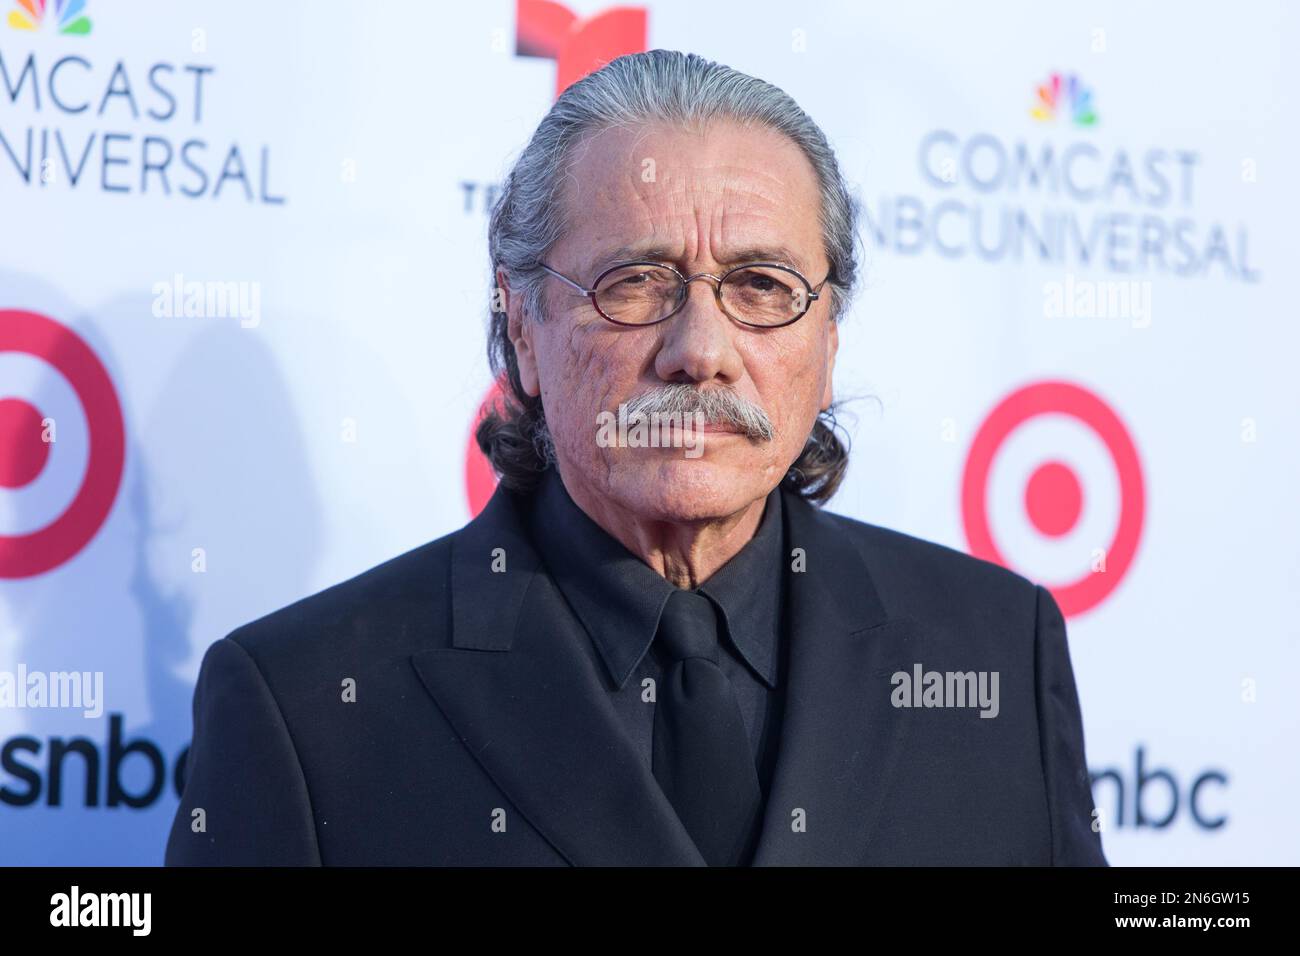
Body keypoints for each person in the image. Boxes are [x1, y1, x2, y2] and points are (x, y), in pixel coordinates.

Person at [165, 49, 1107, 866]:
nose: (701, 346)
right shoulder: (307, 705)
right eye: (637, 282)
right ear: (522, 329)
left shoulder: (996, 652)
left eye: (763, 285)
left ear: (828, 344)